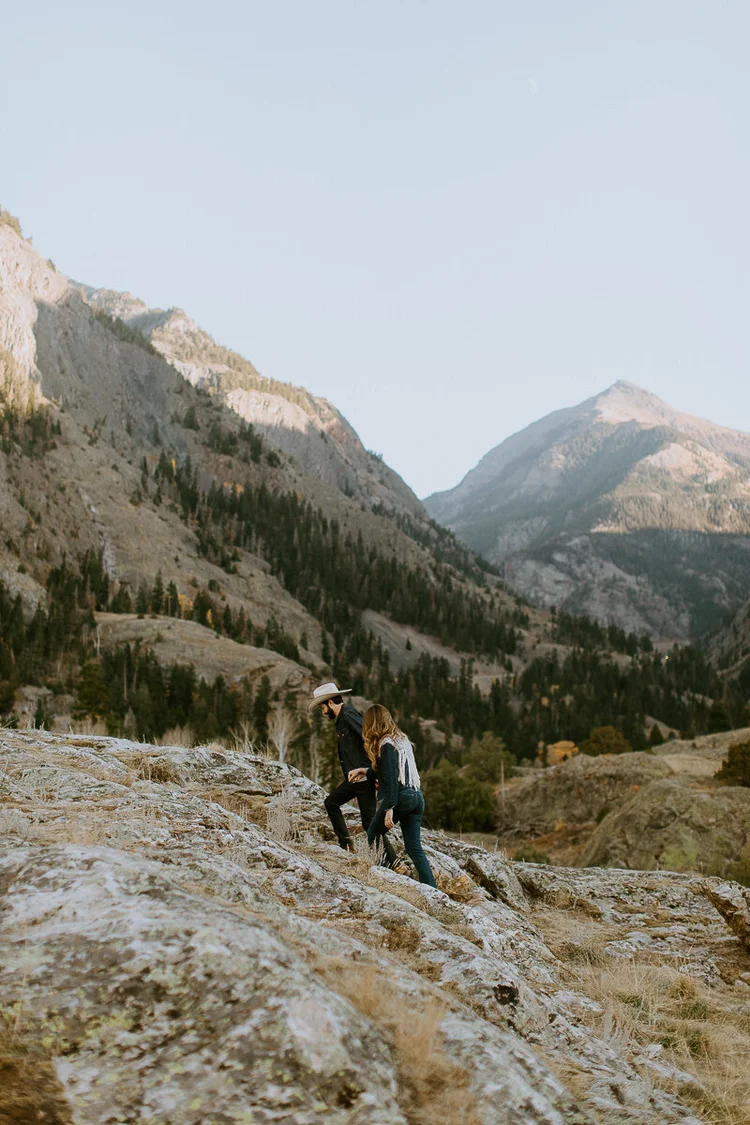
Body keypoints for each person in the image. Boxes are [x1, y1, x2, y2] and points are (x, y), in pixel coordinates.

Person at [348, 704, 437, 887]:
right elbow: (391, 770)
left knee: (373, 834)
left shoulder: (386, 744)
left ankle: (386, 878)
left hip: (401, 797)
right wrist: (365, 771)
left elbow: (390, 777)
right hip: (416, 797)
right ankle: (432, 889)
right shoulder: (401, 739)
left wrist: (389, 807)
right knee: (414, 848)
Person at [309, 681, 396, 864]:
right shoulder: (341, 720)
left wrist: (374, 772)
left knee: (367, 822)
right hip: (357, 779)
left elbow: (370, 739)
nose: (323, 712)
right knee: (333, 804)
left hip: (363, 777)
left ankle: (391, 861)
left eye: (322, 708)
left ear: (330, 702)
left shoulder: (348, 715)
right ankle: (348, 846)